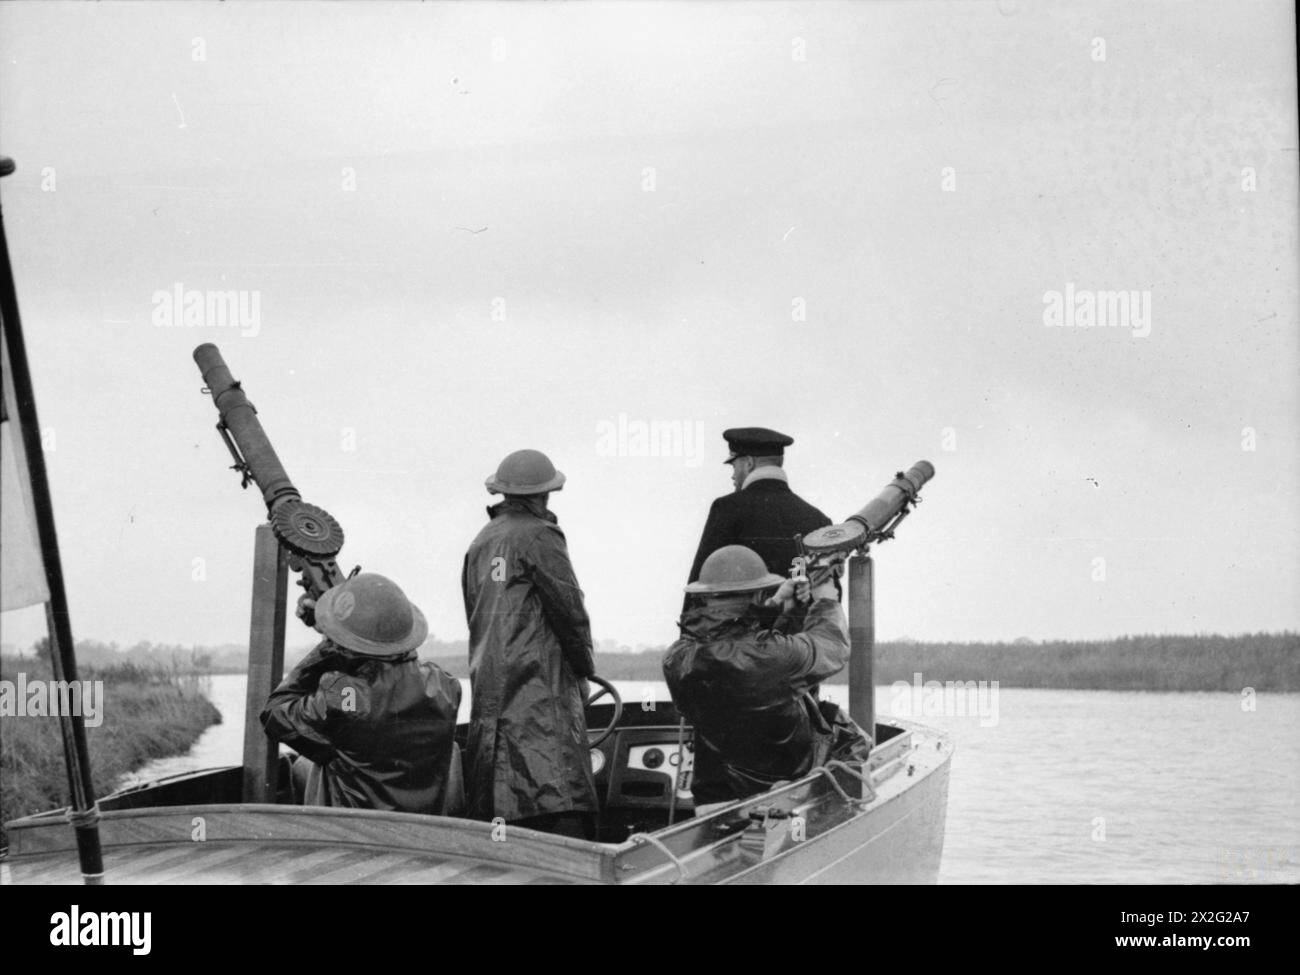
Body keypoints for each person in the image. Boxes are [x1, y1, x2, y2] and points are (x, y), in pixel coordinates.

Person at [663, 545, 870, 816]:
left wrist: (776, 607)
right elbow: (833, 645)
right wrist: (827, 601)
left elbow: (737, 643)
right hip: (780, 800)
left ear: (705, 597)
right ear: (758, 593)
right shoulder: (773, 656)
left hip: (714, 803)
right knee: (846, 732)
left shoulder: (676, 659)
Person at [461, 448, 599, 839]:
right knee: (562, 815)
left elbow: (476, 614)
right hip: (541, 703)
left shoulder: (480, 542)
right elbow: (569, 609)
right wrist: (584, 671)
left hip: (490, 707)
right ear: (545, 495)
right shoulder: (541, 535)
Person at [261, 572, 462, 814]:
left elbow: (275, 711)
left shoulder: (346, 696)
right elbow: (390, 667)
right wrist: (346, 635)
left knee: (303, 767)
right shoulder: (446, 686)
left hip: (359, 833)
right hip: (419, 829)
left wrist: (330, 644)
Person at [685, 428, 832, 607]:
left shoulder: (727, 508)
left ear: (748, 463)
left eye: (733, 465)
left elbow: (700, 585)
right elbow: (827, 602)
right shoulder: (818, 520)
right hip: (800, 633)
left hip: (739, 632)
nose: (732, 475)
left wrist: (689, 630)